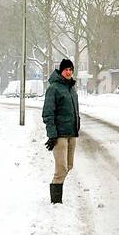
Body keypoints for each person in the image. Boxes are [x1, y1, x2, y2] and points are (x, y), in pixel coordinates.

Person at [43, 58, 81, 204]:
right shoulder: (53, 88)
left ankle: (57, 193)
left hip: (72, 133)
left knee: (69, 166)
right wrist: (52, 134)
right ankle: (56, 201)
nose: (69, 72)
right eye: (66, 69)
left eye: (71, 69)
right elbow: (48, 113)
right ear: (61, 70)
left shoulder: (71, 88)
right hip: (59, 135)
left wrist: (77, 123)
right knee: (61, 168)